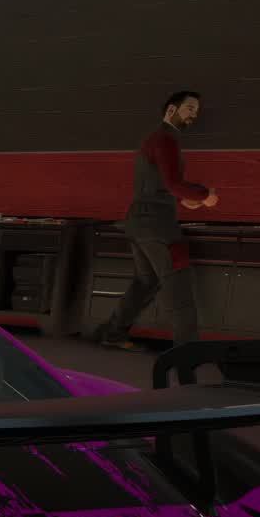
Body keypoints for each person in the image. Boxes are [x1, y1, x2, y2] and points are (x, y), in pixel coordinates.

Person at [86, 90, 218, 350]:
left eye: (196, 111)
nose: (194, 114)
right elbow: (174, 183)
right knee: (178, 286)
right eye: (190, 108)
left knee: (146, 282)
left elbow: (160, 184)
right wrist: (205, 196)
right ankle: (187, 353)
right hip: (158, 226)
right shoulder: (166, 139)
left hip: (139, 222)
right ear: (171, 110)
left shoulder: (155, 139)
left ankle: (113, 333)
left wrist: (184, 199)